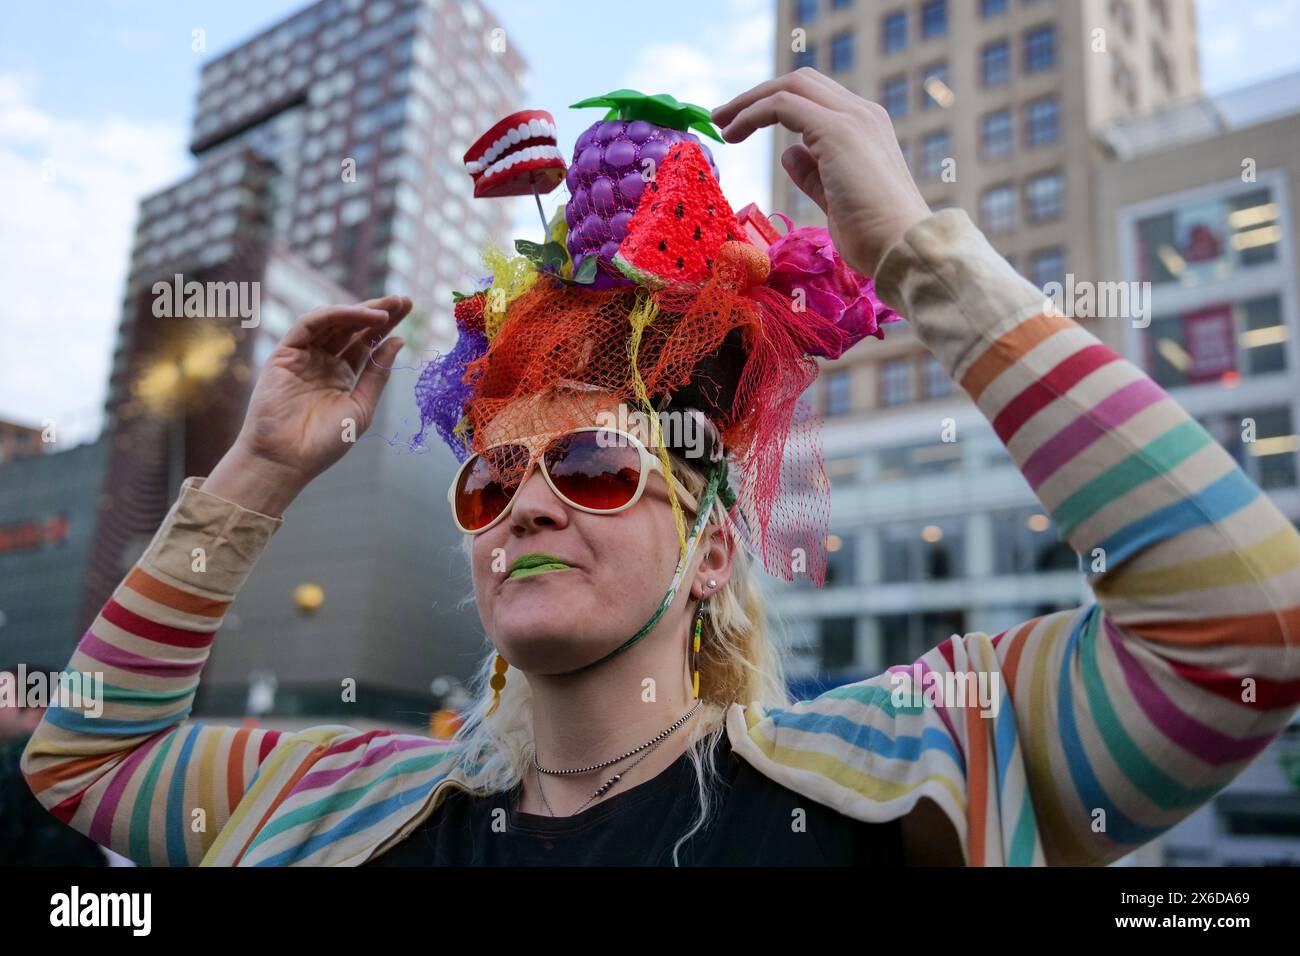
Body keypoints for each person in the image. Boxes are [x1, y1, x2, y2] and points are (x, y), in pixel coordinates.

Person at [21, 70, 1300, 867]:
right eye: (490, 480)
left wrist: (917, 253)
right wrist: (256, 466)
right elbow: (80, 761)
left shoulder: (912, 767)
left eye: (590, 463)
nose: (524, 500)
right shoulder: (342, 801)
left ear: (712, 550)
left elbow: (1246, 629)